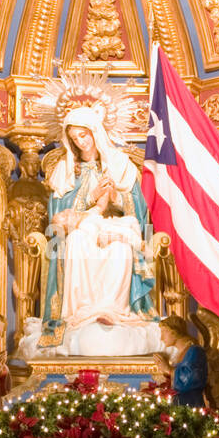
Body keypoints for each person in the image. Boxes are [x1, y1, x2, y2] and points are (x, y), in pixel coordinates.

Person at [38, 105, 156, 349]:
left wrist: (114, 197)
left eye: (84, 135)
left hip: (114, 226)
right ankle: (80, 311)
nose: (81, 143)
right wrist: (90, 199)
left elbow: (139, 209)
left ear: (95, 132)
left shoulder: (120, 165)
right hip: (81, 228)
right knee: (77, 242)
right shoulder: (66, 170)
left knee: (121, 250)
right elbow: (57, 213)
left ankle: (114, 309)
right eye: (74, 139)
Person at [156, 315, 208, 408]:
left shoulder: (195, 351)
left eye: (164, 332)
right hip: (180, 406)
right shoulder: (180, 354)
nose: (161, 338)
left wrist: (169, 370)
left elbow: (190, 380)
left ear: (174, 332)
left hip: (191, 407)